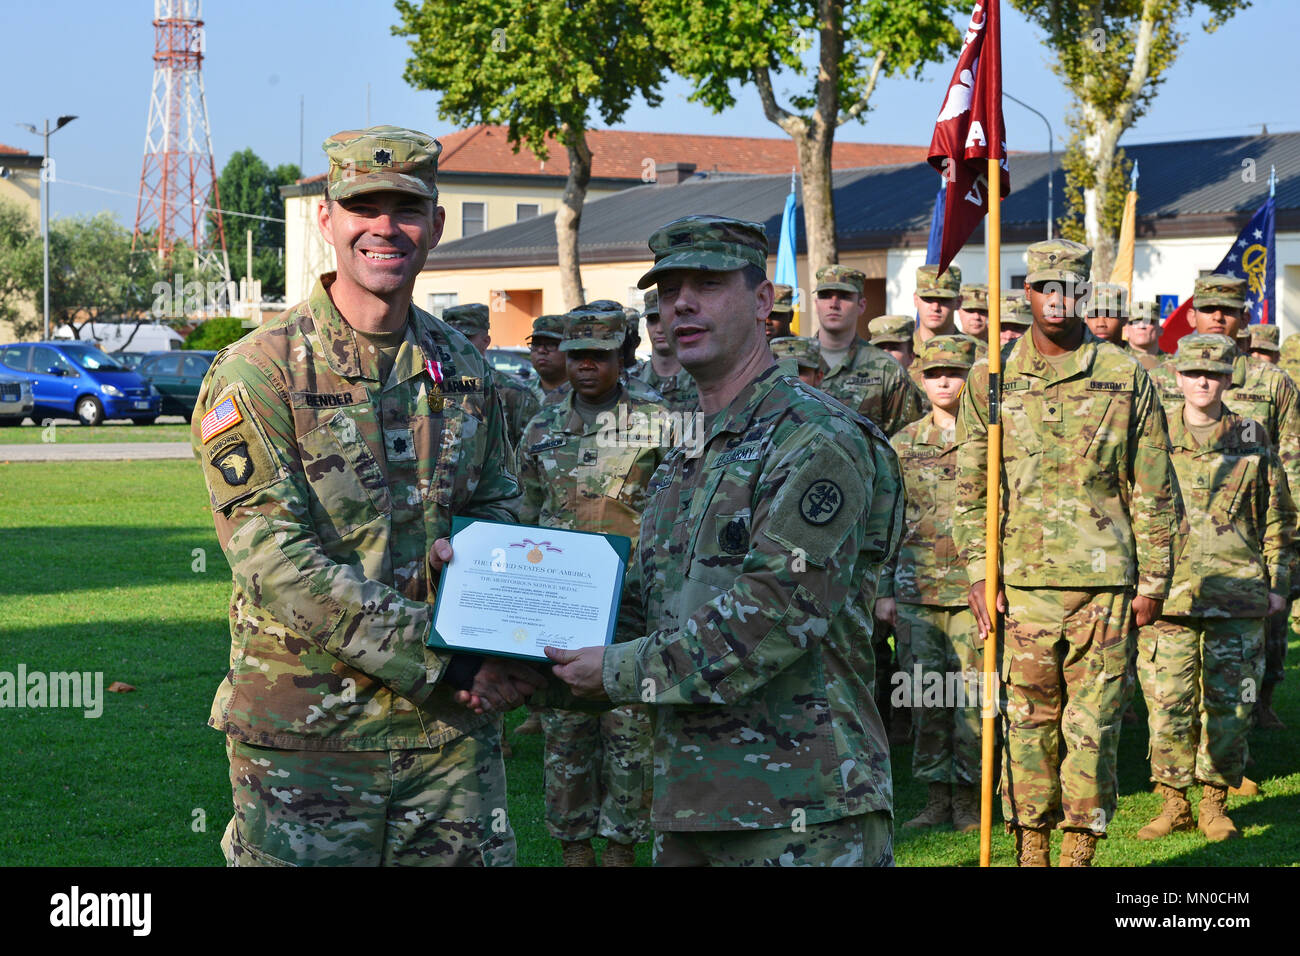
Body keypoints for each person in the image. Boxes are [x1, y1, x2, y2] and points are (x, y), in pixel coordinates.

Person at [191, 125, 545, 866]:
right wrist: (448, 662)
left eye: (407, 209)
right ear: (327, 218)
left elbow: (504, 503)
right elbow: (275, 560)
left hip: (449, 741)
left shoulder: (466, 368)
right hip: (311, 740)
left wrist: (487, 558)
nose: (385, 227)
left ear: (437, 225)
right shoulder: (260, 372)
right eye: (363, 206)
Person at [544, 215, 903, 867]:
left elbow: (768, 621)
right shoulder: (688, 450)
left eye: (707, 284)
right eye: (669, 287)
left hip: (803, 816)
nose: (681, 301)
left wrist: (613, 669)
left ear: (762, 301)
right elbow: (652, 605)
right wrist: (520, 645)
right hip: (693, 806)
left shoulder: (817, 439)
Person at [954, 238, 1183, 867]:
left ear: (1087, 295)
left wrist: (1154, 581)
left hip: (1106, 585)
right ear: (1025, 293)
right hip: (1022, 584)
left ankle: (1079, 849)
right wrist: (980, 572)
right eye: (1045, 287)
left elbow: (1155, 482)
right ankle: (1032, 847)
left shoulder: (1123, 374)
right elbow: (972, 487)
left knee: (1096, 725)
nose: (1058, 300)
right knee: (1026, 726)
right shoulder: (991, 378)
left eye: (1071, 288)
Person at [516, 307, 667, 867]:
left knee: (630, 737)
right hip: (561, 608)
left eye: (598, 356)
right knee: (566, 736)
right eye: (576, 355)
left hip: (633, 607)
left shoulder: (659, 421)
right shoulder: (540, 424)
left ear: (620, 356)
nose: (585, 367)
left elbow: (679, 512)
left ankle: (622, 850)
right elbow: (523, 512)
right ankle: (574, 848)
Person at [1135, 333, 1293, 842]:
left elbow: (1279, 516)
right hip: (1169, 593)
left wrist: (1279, 584)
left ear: (1229, 379)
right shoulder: (1153, 434)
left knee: (1232, 706)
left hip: (1239, 592)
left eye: (1215, 373)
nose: (1203, 381)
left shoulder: (1253, 435)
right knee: (1168, 705)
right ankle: (1172, 802)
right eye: (1193, 372)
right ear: (1176, 377)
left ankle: (1213, 802)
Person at [1149, 275, 1300, 735]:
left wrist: (1285, 554)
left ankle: (1238, 754)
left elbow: (1290, 461)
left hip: (1245, 547)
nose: (1218, 316)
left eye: (1229, 310)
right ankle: (1177, 765)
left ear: (1244, 319)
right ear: (1191, 316)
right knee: (1171, 676)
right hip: (1177, 549)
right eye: (1209, 307)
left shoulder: (1272, 381)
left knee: (1249, 662)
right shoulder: (1158, 378)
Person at [878, 335, 982, 833]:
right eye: (935, 372)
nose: (945, 381)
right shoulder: (901, 444)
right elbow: (886, 521)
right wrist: (882, 590)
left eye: (955, 372)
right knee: (923, 698)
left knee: (970, 698)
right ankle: (935, 795)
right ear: (920, 378)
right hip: (916, 589)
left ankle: (969, 798)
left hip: (972, 590)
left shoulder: (991, 438)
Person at [813, 264, 926, 436]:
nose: (833, 304)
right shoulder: (791, 361)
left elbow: (904, 445)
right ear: (816, 303)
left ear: (862, 305)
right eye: (825, 296)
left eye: (844, 296)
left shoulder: (886, 369)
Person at [442, 302, 540, 449]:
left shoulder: (513, 392)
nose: (456, 344)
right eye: (450, 337)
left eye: (465, 337)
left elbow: (529, 453)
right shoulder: (431, 385)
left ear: (486, 341)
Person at [634, 289, 701, 413]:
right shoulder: (631, 383)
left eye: (665, 319)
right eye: (653, 320)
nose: (659, 329)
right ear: (646, 325)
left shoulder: (703, 383)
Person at [527, 313, 570, 403]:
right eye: (536, 344)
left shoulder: (581, 395)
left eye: (551, 344)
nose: (541, 350)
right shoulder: (521, 392)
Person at [1126, 301, 1167, 371]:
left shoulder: (1175, 365)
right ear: (1125, 331)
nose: (1142, 326)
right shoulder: (1113, 361)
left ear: (1160, 330)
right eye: (1135, 322)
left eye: (1149, 321)